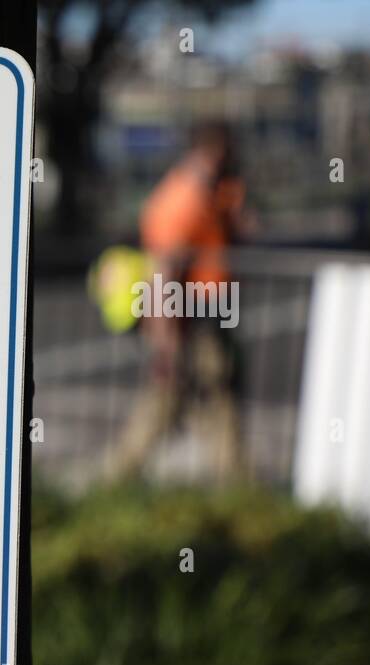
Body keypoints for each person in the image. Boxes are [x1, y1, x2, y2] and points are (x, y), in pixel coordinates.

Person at [107, 121, 248, 482]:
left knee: (196, 401)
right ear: (216, 150)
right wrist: (165, 343)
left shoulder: (207, 193)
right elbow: (162, 275)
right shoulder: (182, 200)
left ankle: (231, 482)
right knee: (198, 399)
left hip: (204, 313)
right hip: (192, 317)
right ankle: (119, 479)